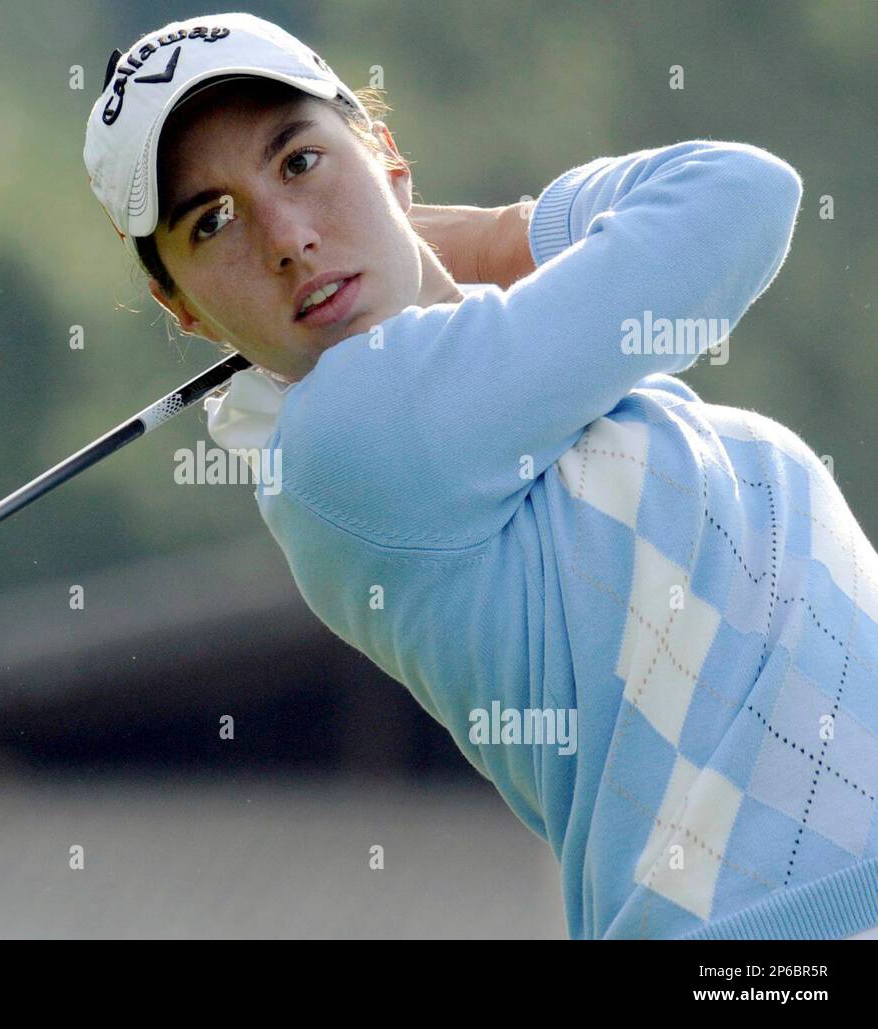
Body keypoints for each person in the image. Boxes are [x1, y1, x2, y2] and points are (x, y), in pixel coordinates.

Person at [83, 11, 878, 939]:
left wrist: (403, 242)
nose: (287, 237)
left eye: (299, 161)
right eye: (212, 221)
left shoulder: (540, 390)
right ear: (179, 306)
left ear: (383, 150)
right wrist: (486, 232)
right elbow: (736, 200)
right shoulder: (350, 439)